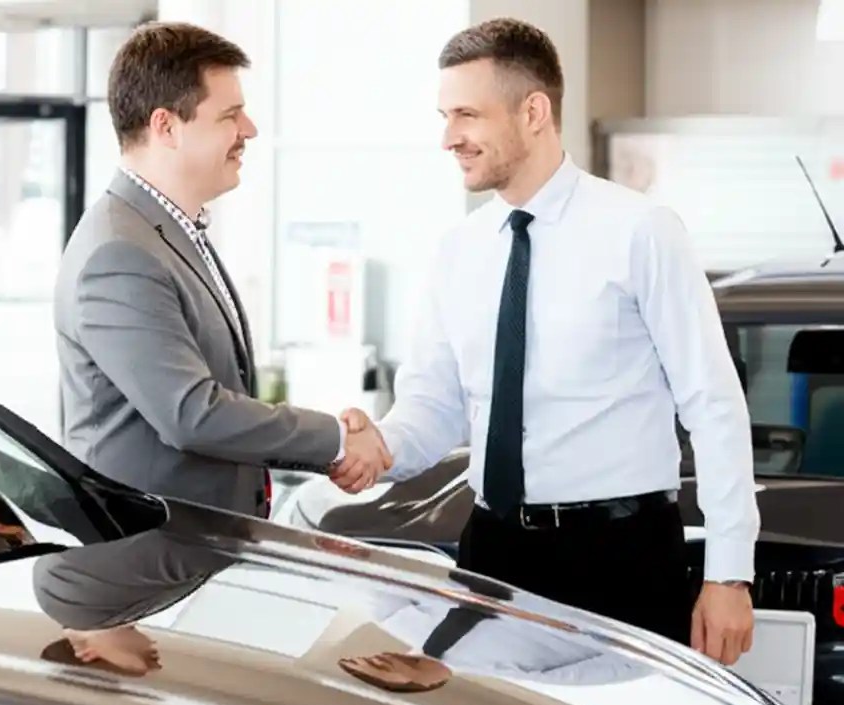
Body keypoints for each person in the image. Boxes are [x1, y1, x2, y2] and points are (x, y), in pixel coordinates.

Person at [333, 18, 759, 666]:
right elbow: (435, 408)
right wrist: (378, 447)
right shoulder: (458, 251)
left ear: (533, 112)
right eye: (445, 117)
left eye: (467, 115)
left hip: (621, 558)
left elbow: (713, 403)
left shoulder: (641, 231)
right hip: (494, 550)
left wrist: (729, 574)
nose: (449, 138)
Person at [53, 21, 392, 521]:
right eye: (230, 115)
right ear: (166, 127)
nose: (248, 130)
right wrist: (336, 439)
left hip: (197, 546)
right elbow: (193, 414)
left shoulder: (164, 233)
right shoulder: (119, 254)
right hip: (154, 555)